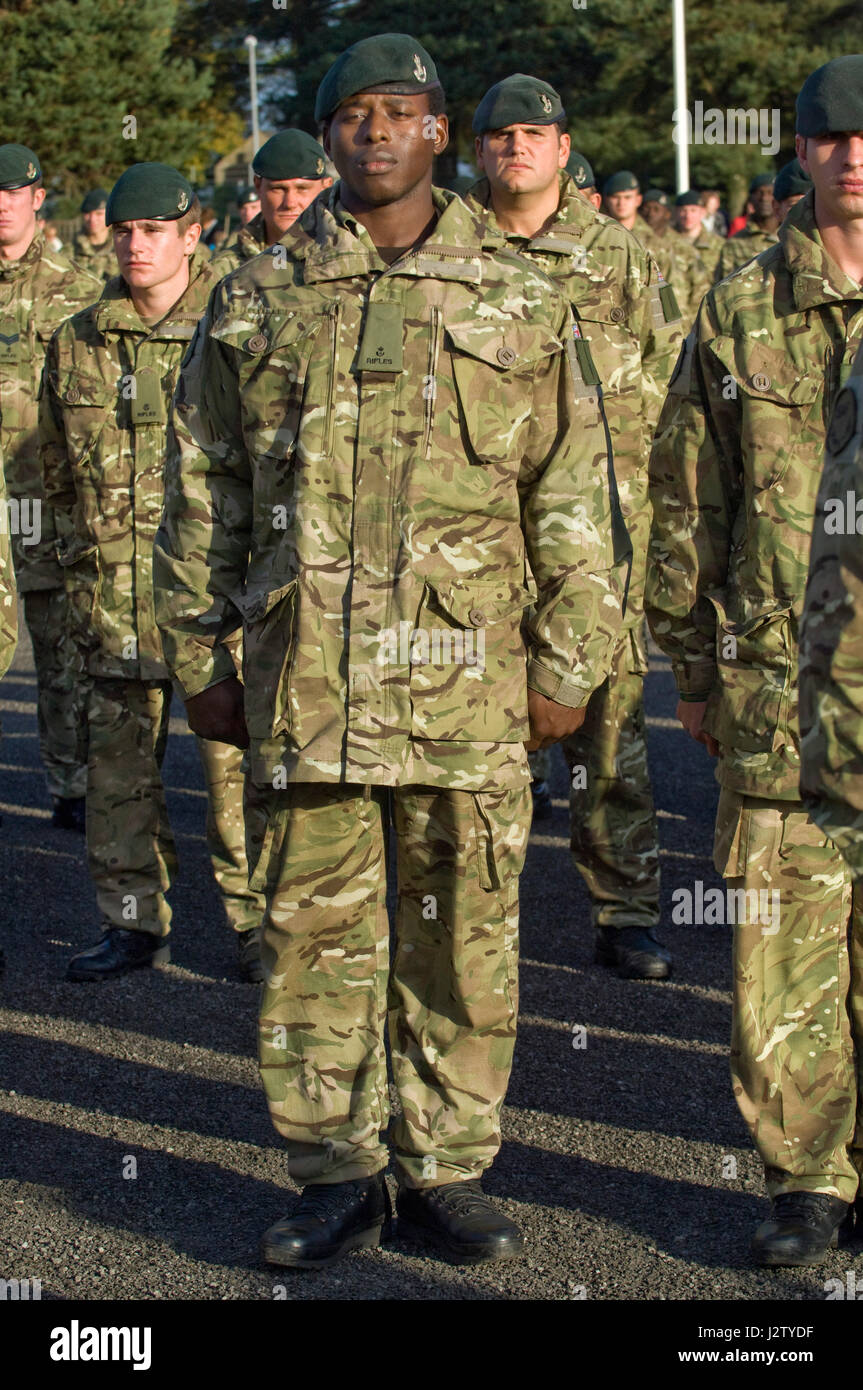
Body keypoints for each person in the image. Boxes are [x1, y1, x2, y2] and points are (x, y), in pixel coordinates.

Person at [154, 32, 624, 1269]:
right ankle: (334, 1170)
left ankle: (445, 1167)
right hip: (306, 688)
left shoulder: (517, 296)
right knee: (313, 944)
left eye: (399, 112)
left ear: (436, 133)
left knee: (462, 937)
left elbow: (574, 488)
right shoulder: (256, 297)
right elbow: (199, 481)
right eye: (351, 113)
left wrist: (567, 662)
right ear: (329, 138)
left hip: (470, 694)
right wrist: (199, 650)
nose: (374, 132)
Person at [645, 55, 863, 1266]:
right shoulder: (741, 305)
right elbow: (688, 494)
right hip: (777, 684)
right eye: (830, 138)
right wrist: (683, 658)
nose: (853, 157)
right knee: (778, 952)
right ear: (798, 150)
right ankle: (802, 1183)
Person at [464, 73, 682, 980]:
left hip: (602, 530)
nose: (517, 147)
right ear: (476, 149)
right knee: (476, 737)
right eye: (500, 133)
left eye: (534, 134)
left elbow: (674, 394)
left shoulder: (621, 258)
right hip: (474, 534)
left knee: (608, 726)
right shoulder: (449, 248)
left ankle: (623, 906)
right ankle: (474, 922)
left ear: (563, 148)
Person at [39, 162, 265, 983]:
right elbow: (55, 471)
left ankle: (255, 922)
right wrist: (69, 566)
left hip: (213, 602)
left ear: (190, 233)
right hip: (109, 599)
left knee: (235, 775)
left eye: (155, 232)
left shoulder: (237, 326)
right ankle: (132, 921)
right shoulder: (79, 339)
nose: (137, 246)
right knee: (118, 779)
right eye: (127, 231)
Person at [0, 143, 100, 830]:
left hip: (42, 498)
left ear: (38, 197)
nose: (2, 204)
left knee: (59, 645)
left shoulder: (78, 291)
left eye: (14, 192)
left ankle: (71, 785)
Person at [211, 131, 333, 277]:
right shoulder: (223, 272)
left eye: (302, 189)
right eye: (278, 189)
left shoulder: (353, 260)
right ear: (258, 186)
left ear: (326, 187)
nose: (290, 203)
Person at [714, 172, 778, 281]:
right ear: (751, 199)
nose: (764, 198)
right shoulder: (735, 243)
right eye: (759, 193)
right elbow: (723, 287)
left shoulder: (790, 236)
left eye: (770, 193)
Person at [674, 189, 723, 281]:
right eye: (683, 211)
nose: (688, 216)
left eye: (693, 210)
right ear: (676, 212)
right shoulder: (667, 243)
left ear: (703, 213)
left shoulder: (718, 245)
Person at [72, 188, 115, 283]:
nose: (92, 219)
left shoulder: (121, 248)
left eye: (99, 214)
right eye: (88, 214)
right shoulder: (71, 250)